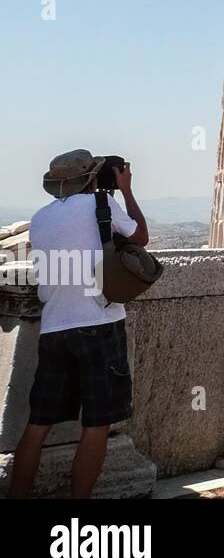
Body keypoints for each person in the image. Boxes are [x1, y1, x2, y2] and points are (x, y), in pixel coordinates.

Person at [7, 150, 149, 499]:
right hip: (99, 323)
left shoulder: (40, 219)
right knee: (97, 424)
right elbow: (141, 237)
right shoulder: (102, 207)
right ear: (91, 178)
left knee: (37, 425)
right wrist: (126, 190)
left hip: (55, 327)